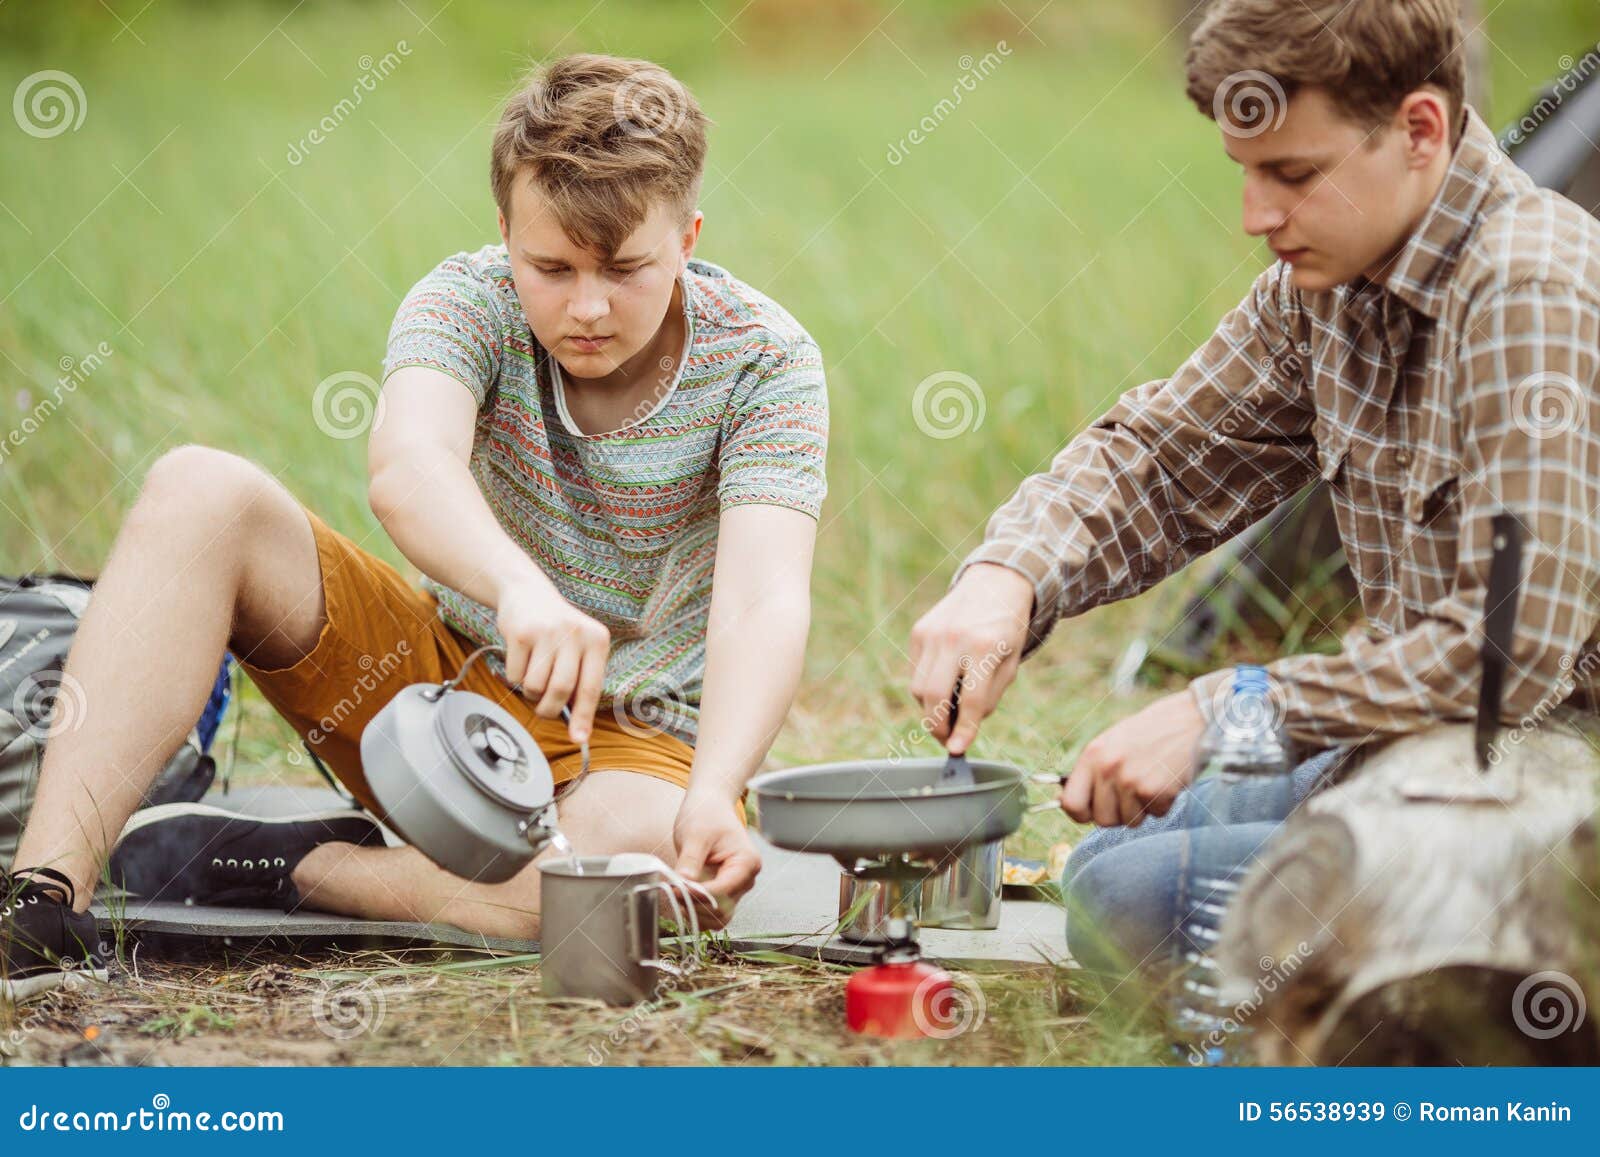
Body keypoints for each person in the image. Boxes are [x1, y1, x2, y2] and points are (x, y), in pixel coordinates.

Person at [2, 53, 828, 1002]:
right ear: (506, 232)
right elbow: (408, 467)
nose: (587, 306)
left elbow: (767, 598)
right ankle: (43, 897)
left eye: (626, 268)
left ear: (686, 237)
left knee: (633, 883)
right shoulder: (464, 298)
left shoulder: (768, 359)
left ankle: (290, 866)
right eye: (550, 268)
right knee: (199, 488)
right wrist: (519, 589)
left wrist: (718, 789)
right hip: (435, 705)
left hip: (639, 742)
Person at [909, 0, 1600, 973]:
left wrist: (1219, 708)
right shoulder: (1330, 278)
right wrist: (1006, 578)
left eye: (1292, 173)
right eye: (1245, 171)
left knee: (1124, 898)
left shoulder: (1530, 289)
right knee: (1109, 846)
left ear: (1417, 130)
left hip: (1556, 768)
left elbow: (1507, 654)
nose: (1255, 215)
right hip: (1423, 742)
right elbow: (1164, 457)